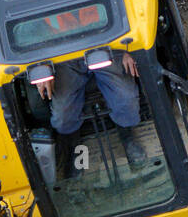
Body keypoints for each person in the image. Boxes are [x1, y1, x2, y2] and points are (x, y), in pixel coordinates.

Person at [33, 44, 147, 175]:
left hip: (104, 46)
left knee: (126, 98)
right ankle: (73, 145)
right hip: (62, 57)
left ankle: (127, 135)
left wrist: (129, 48)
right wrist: (40, 66)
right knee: (62, 113)